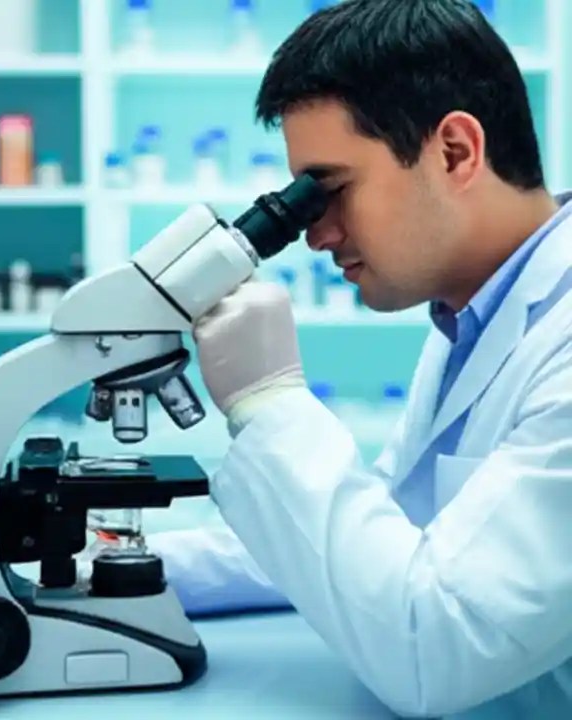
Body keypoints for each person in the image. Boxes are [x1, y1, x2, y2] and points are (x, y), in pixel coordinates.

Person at [149, 0, 572, 717]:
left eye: (331, 189)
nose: (317, 234)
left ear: (455, 152)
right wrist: (121, 569)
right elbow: (386, 538)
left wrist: (270, 404)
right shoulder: (470, 318)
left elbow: (434, 651)